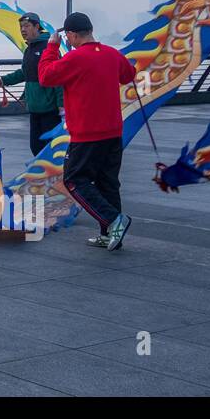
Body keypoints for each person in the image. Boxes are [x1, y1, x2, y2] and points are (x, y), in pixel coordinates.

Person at [37, 12, 137, 251]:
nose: (67, 40)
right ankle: (109, 234)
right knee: (108, 182)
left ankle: (114, 220)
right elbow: (129, 75)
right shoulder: (112, 54)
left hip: (87, 133)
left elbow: (45, 76)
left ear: (71, 34)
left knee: (74, 180)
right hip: (113, 131)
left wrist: (51, 47)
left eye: (67, 36)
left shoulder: (75, 58)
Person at [0, 12, 61, 157]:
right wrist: (5, 80)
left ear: (37, 27)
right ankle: (43, 177)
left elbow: (58, 77)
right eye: (21, 27)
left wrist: (62, 106)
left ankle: (55, 178)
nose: (23, 30)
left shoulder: (49, 48)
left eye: (27, 26)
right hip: (34, 108)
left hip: (50, 110)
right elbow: (25, 72)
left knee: (50, 149)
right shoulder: (29, 50)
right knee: (35, 147)